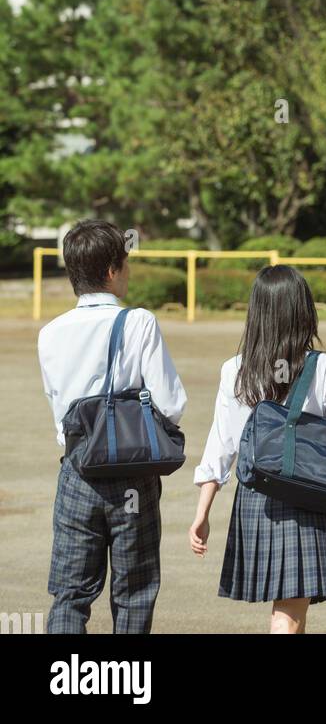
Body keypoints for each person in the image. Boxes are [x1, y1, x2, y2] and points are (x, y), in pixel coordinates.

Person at [189, 265, 326, 634]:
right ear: (303, 310)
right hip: (312, 496)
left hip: (257, 500)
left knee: (291, 613)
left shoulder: (236, 369)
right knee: (287, 616)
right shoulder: (324, 367)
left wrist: (202, 513)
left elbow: (221, 445)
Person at [38, 219, 187, 634]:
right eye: (125, 263)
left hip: (77, 474)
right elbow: (172, 405)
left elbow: (58, 410)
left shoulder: (48, 334)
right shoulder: (139, 322)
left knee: (70, 594)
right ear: (111, 270)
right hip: (132, 478)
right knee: (134, 594)